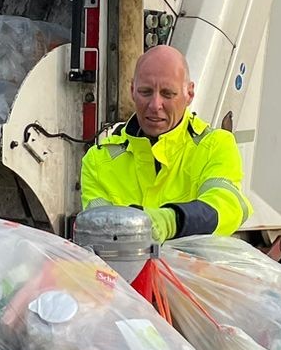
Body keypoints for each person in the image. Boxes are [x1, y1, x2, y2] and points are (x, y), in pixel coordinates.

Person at [80, 45, 251, 238]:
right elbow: (99, 233)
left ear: (190, 94)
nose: (155, 105)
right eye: (145, 92)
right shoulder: (98, 161)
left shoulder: (216, 145)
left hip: (194, 268)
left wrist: (171, 221)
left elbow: (228, 206)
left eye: (168, 94)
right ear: (132, 91)